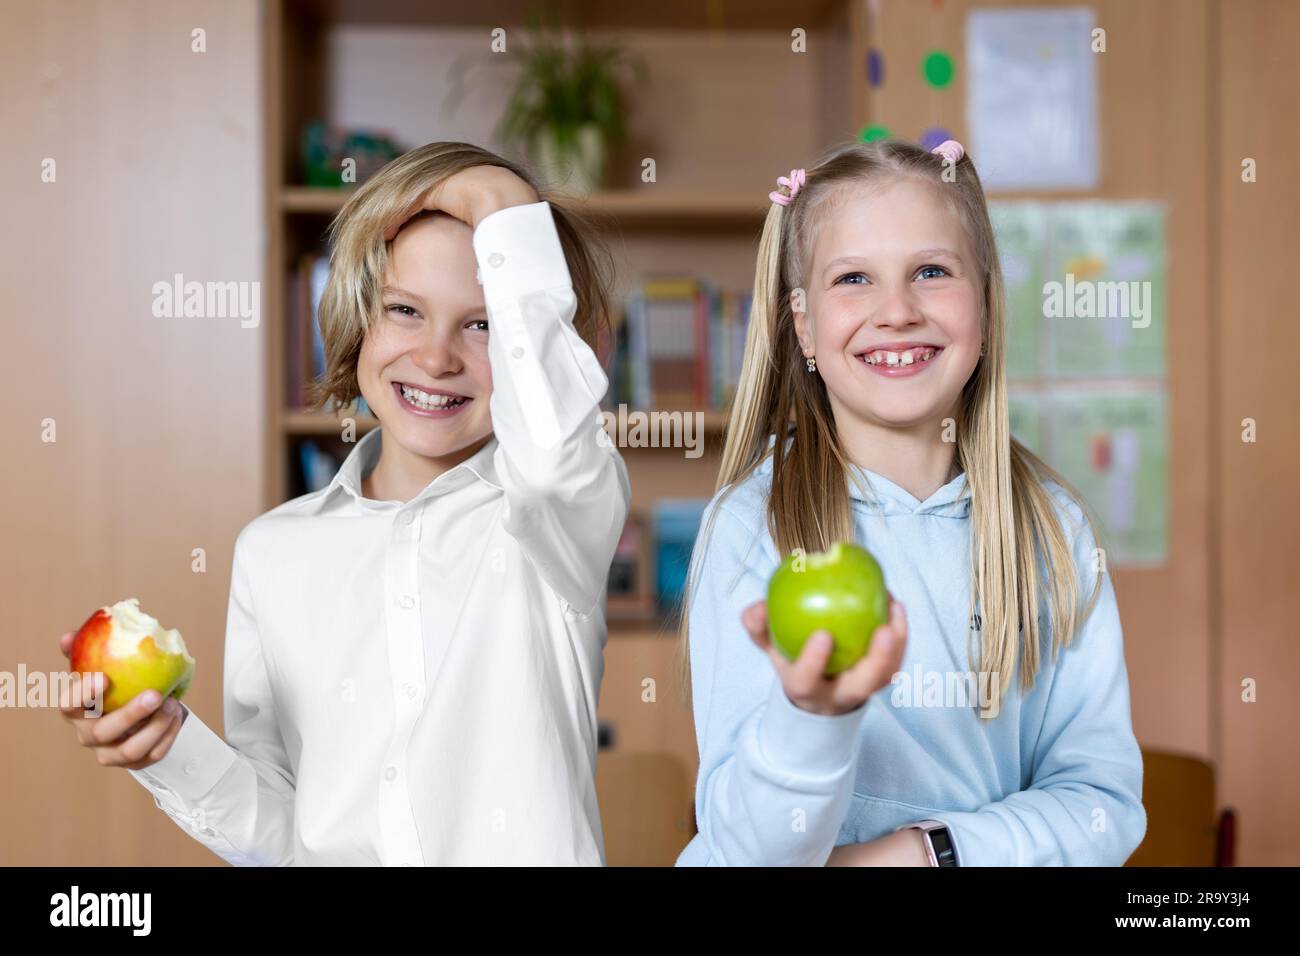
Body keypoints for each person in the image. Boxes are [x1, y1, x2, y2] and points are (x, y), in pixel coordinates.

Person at [677, 138, 1146, 866]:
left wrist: (929, 854)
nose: (896, 311)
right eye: (854, 278)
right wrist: (813, 716)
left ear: (985, 309)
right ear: (802, 324)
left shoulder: (1053, 531)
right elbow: (748, 850)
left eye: (931, 271)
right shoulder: (751, 526)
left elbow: (1101, 806)